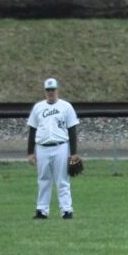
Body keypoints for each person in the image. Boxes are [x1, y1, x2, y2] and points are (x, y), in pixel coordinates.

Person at [26, 78, 80, 220]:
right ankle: (42, 211)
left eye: (53, 90)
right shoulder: (38, 107)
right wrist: (30, 152)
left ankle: (67, 210)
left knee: (62, 179)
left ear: (57, 90)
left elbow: (72, 129)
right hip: (42, 147)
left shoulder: (66, 107)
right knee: (43, 179)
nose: (51, 92)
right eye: (48, 90)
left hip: (61, 146)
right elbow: (32, 130)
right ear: (45, 91)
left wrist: (73, 152)